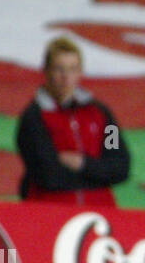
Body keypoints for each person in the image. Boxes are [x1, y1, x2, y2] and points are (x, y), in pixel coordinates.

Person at [16, 37, 130, 206]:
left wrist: (83, 164)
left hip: (99, 213)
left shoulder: (101, 115)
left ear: (80, 72)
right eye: (59, 69)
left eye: (72, 69)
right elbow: (48, 175)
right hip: (50, 212)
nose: (66, 77)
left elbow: (119, 166)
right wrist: (99, 176)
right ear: (46, 70)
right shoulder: (33, 118)